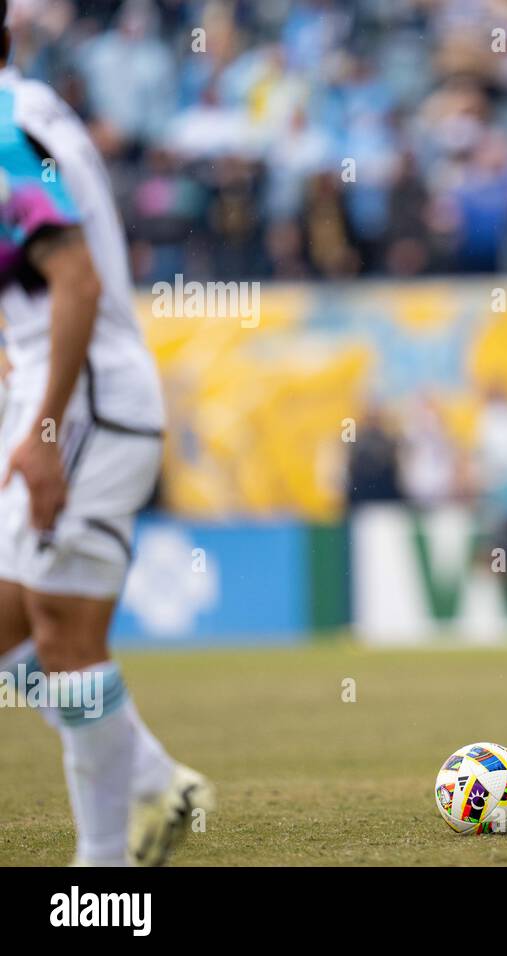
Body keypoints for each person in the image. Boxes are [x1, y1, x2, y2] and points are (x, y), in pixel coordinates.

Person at [0, 3, 212, 866]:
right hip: (60, 398)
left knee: (62, 631)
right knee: (18, 632)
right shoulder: (30, 110)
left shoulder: (9, 129)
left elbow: (76, 280)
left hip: (84, 404)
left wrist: (46, 430)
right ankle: (159, 783)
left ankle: (105, 871)